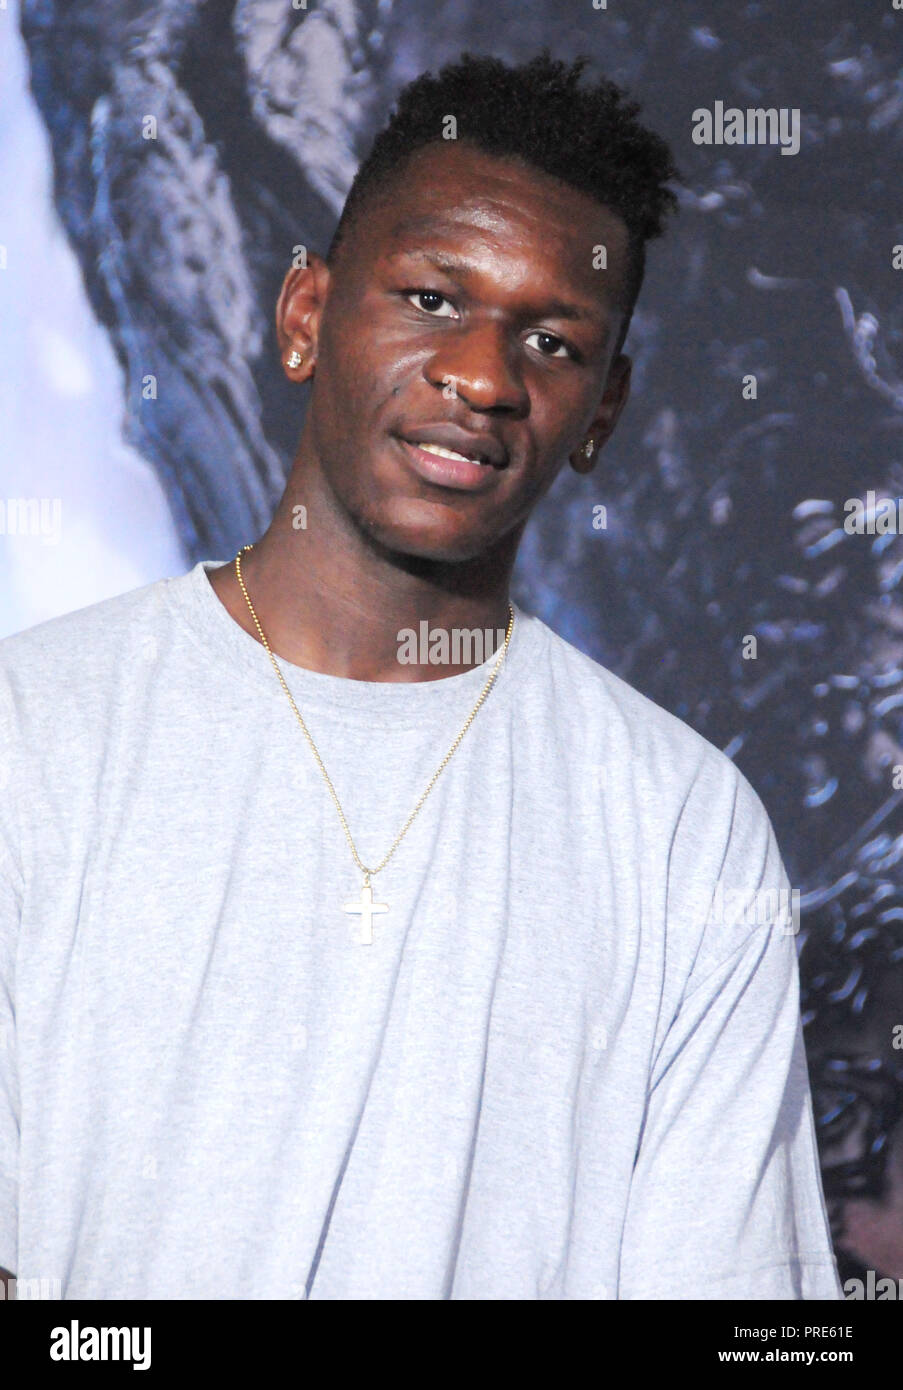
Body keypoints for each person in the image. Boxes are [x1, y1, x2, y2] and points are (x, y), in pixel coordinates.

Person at [0, 50, 842, 1300]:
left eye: (551, 341)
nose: (485, 379)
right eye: (435, 299)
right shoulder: (36, 735)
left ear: (601, 414)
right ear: (304, 315)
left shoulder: (681, 830)